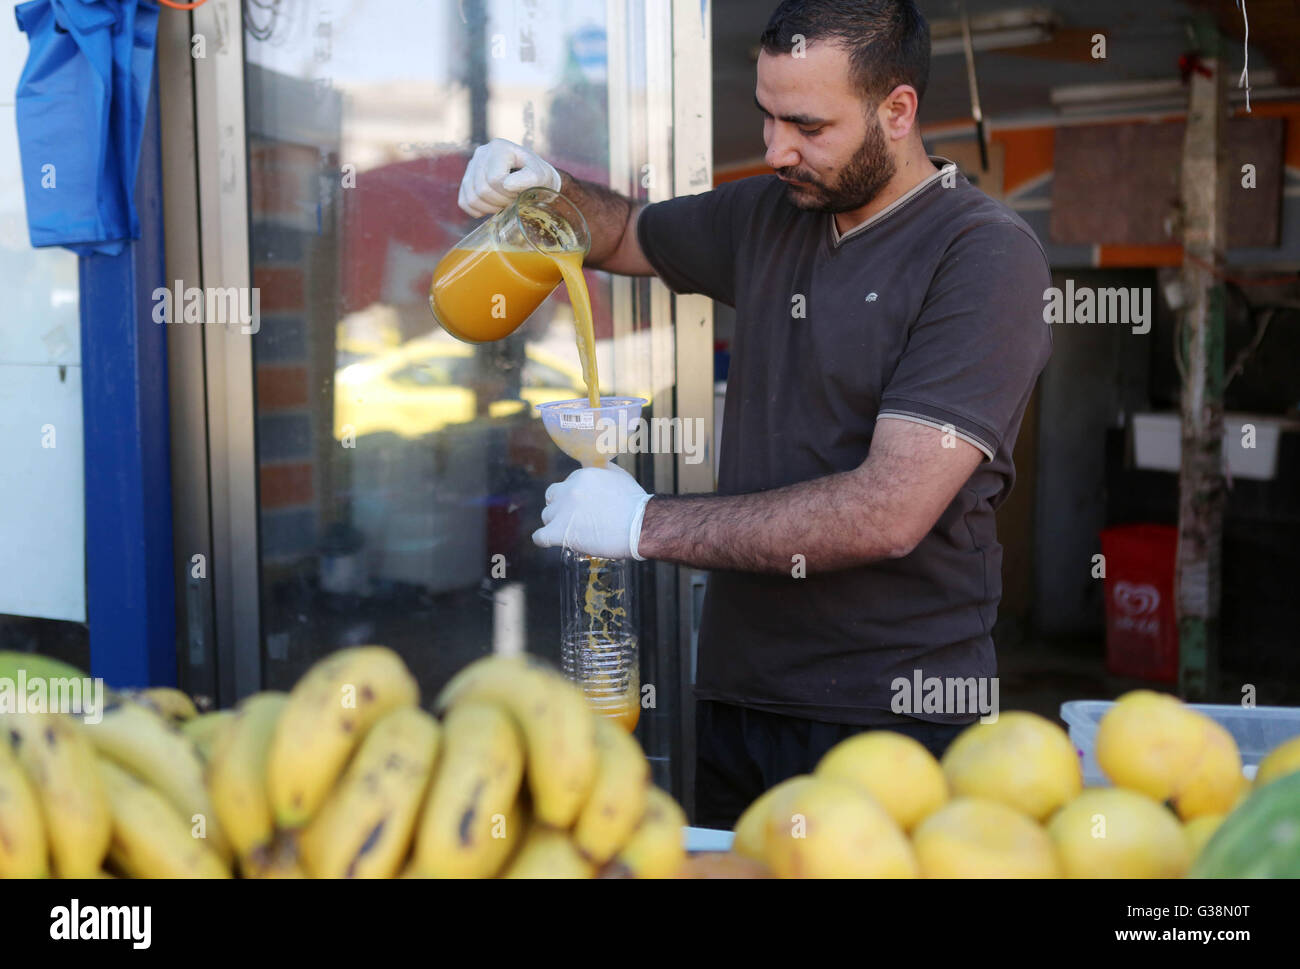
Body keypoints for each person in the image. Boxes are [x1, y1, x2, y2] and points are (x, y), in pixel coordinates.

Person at [458, 0, 1052, 829]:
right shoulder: (776, 212)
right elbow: (626, 232)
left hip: (893, 710)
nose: (777, 150)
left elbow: (890, 509)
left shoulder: (982, 255)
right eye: (768, 116)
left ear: (898, 110)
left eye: (807, 124)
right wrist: (545, 188)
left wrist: (645, 524)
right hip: (739, 699)